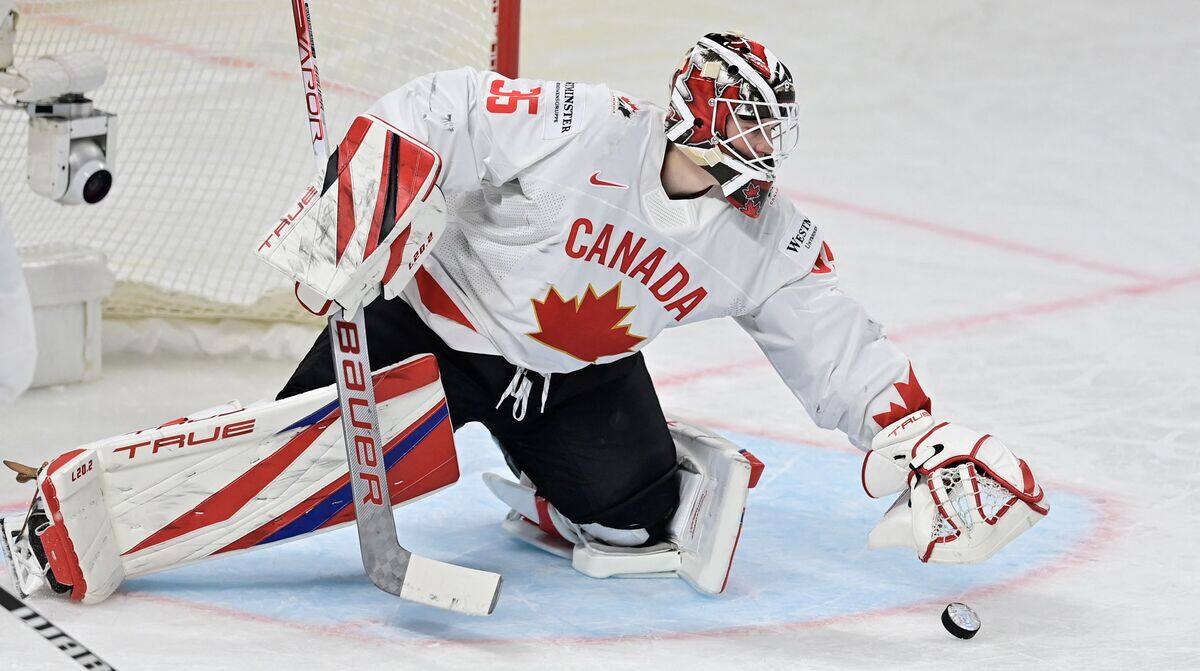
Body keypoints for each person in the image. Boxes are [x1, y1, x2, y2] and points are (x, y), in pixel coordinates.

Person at [8, 33, 1046, 605]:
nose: (758, 161)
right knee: (297, 473)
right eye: (743, 138)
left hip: (572, 379)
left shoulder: (757, 232)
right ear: (690, 120)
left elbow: (827, 329)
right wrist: (355, 218)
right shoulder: (586, 128)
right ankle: (71, 517)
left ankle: (553, 490)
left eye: (768, 140)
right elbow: (443, 107)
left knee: (639, 518)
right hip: (429, 331)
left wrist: (917, 434)